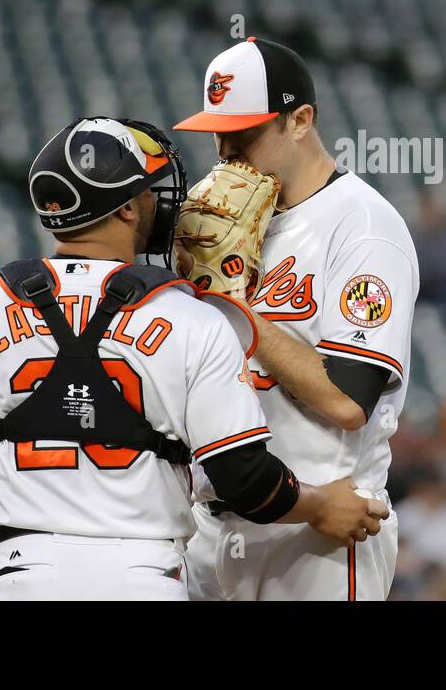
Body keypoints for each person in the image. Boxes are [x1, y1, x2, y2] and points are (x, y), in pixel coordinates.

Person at [0, 116, 386, 601]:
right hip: (141, 577)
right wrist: (320, 505)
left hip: (18, 576)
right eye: (151, 191)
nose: (161, 201)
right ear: (129, 209)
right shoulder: (191, 318)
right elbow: (243, 478)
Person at [174, 37, 419, 600]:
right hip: (210, 526)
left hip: (321, 531)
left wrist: (236, 308)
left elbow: (345, 401)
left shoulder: (362, 225)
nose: (227, 148)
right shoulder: (227, 222)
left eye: (246, 131)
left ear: (300, 119)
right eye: (219, 130)